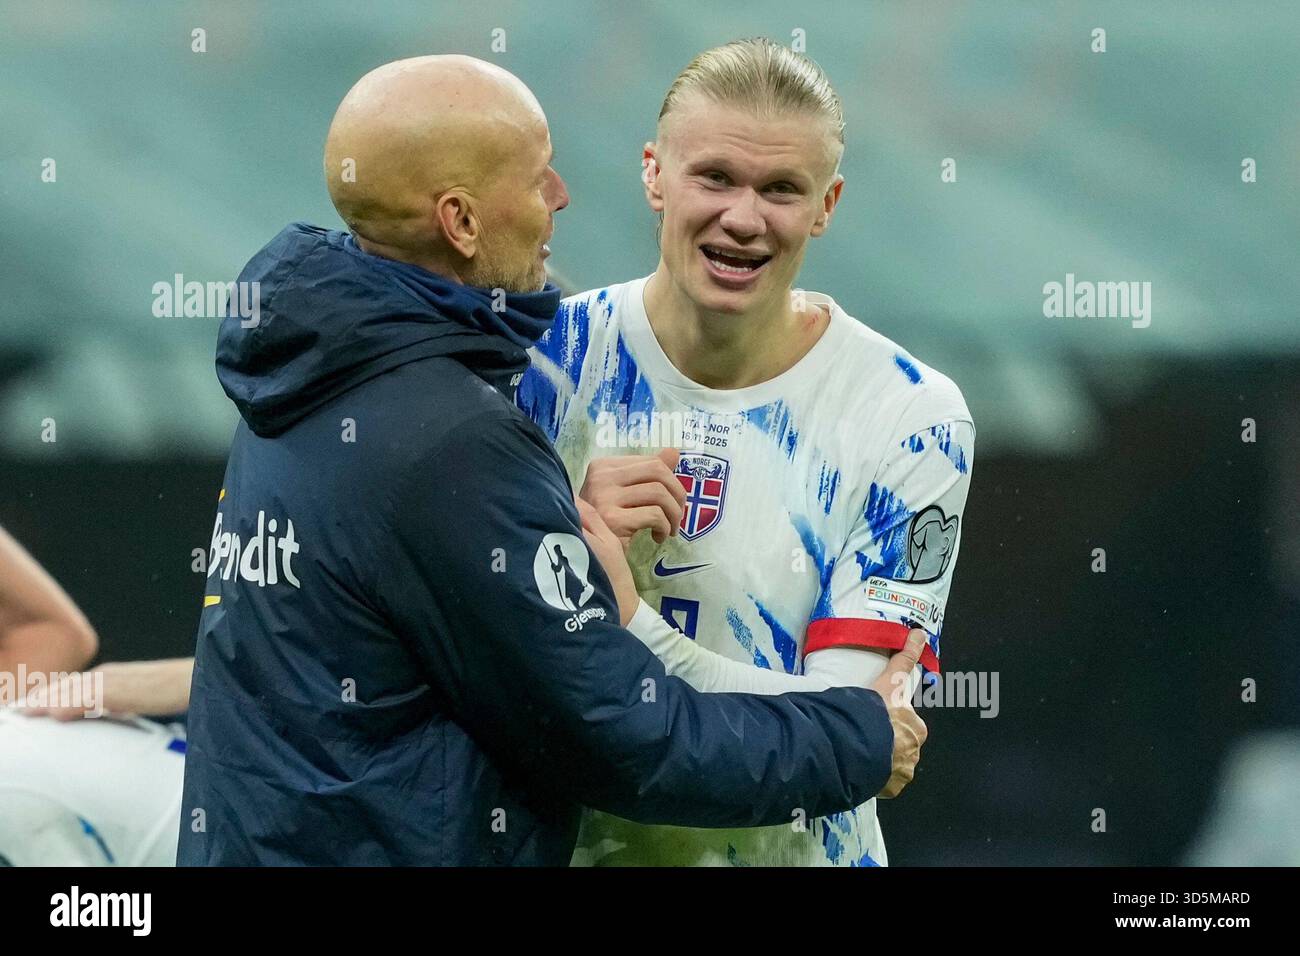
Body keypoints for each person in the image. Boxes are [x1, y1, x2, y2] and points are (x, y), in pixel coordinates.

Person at [177, 54, 925, 866]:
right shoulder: (463, 432)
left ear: (824, 204)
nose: (561, 195)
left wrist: (554, 517)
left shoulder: (310, 375)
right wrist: (857, 737)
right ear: (462, 222)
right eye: (537, 178)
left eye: (780, 188)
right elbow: (622, 737)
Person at [517, 37, 974, 866]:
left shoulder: (910, 415)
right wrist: (560, 527)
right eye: (716, 177)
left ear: (827, 205)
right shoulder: (541, 364)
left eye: (781, 189)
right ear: (654, 174)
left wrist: (624, 622)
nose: (743, 217)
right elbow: (479, 665)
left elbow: (841, 739)